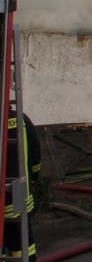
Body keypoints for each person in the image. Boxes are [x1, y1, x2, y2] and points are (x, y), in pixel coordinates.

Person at [5, 106, 42, 262]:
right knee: (23, 245)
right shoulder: (22, 120)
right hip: (19, 193)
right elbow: (36, 156)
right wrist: (34, 177)